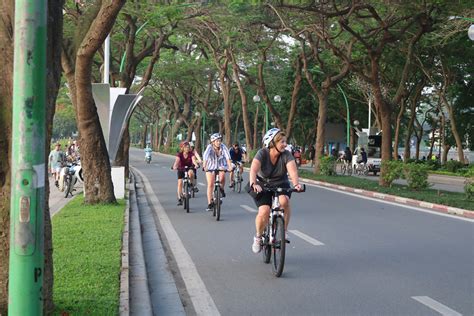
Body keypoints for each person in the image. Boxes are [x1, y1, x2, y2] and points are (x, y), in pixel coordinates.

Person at [249, 128, 303, 254]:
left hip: (281, 183)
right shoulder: (262, 153)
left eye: (285, 142)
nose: (285, 144)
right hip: (262, 184)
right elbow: (253, 170)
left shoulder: (287, 155)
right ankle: (258, 236)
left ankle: (284, 231)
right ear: (272, 143)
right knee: (264, 211)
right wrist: (254, 183)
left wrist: (296, 184)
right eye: (282, 142)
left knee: (284, 201)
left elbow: (293, 171)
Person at [202, 133, 232, 212]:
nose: (219, 142)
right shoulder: (209, 147)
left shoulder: (223, 147)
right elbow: (205, 156)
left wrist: (230, 166)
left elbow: (228, 157)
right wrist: (204, 166)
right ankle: (209, 203)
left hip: (221, 165)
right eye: (217, 141)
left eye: (220, 140)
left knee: (222, 177)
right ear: (213, 142)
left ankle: (221, 189)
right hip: (210, 166)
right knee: (211, 184)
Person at [172, 141, 199, 206]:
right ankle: (179, 198)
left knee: (191, 173)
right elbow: (176, 162)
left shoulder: (191, 154)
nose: (187, 148)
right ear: (183, 148)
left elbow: (193, 160)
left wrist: (196, 165)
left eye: (188, 147)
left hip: (189, 167)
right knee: (180, 183)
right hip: (181, 168)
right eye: (186, 147)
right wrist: (174, 166)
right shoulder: (179, 154)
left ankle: (191, 184)